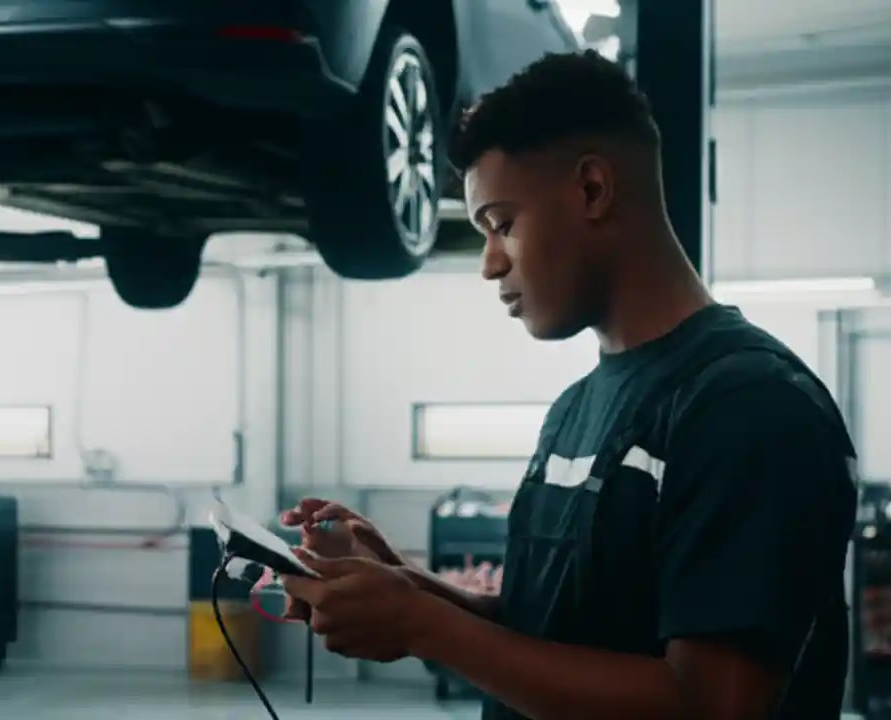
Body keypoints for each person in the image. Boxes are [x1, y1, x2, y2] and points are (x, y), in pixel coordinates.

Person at [279, 50, 858, 720]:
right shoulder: (575, 411)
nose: (491, 264)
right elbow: (553, 629)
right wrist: (403, 590)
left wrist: (423, 625)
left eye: (501, 224)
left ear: (591, 190)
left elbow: (711, 705)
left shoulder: (751, 407)